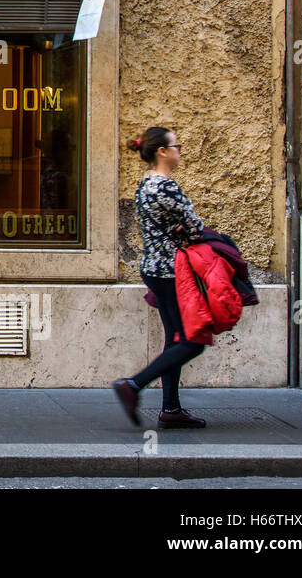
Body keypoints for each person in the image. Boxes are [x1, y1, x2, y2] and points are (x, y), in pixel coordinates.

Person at [112, 126, 209, 429]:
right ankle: (133, 385)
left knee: (175, 338)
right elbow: (195, 227)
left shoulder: (145, 185)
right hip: (171, 271)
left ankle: (170, 409)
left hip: (154, 267)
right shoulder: (166, 187)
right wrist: (186, 232)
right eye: (177, 146)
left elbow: (164, 225)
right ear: (162, 152)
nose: (180, 151)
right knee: (193, 341)